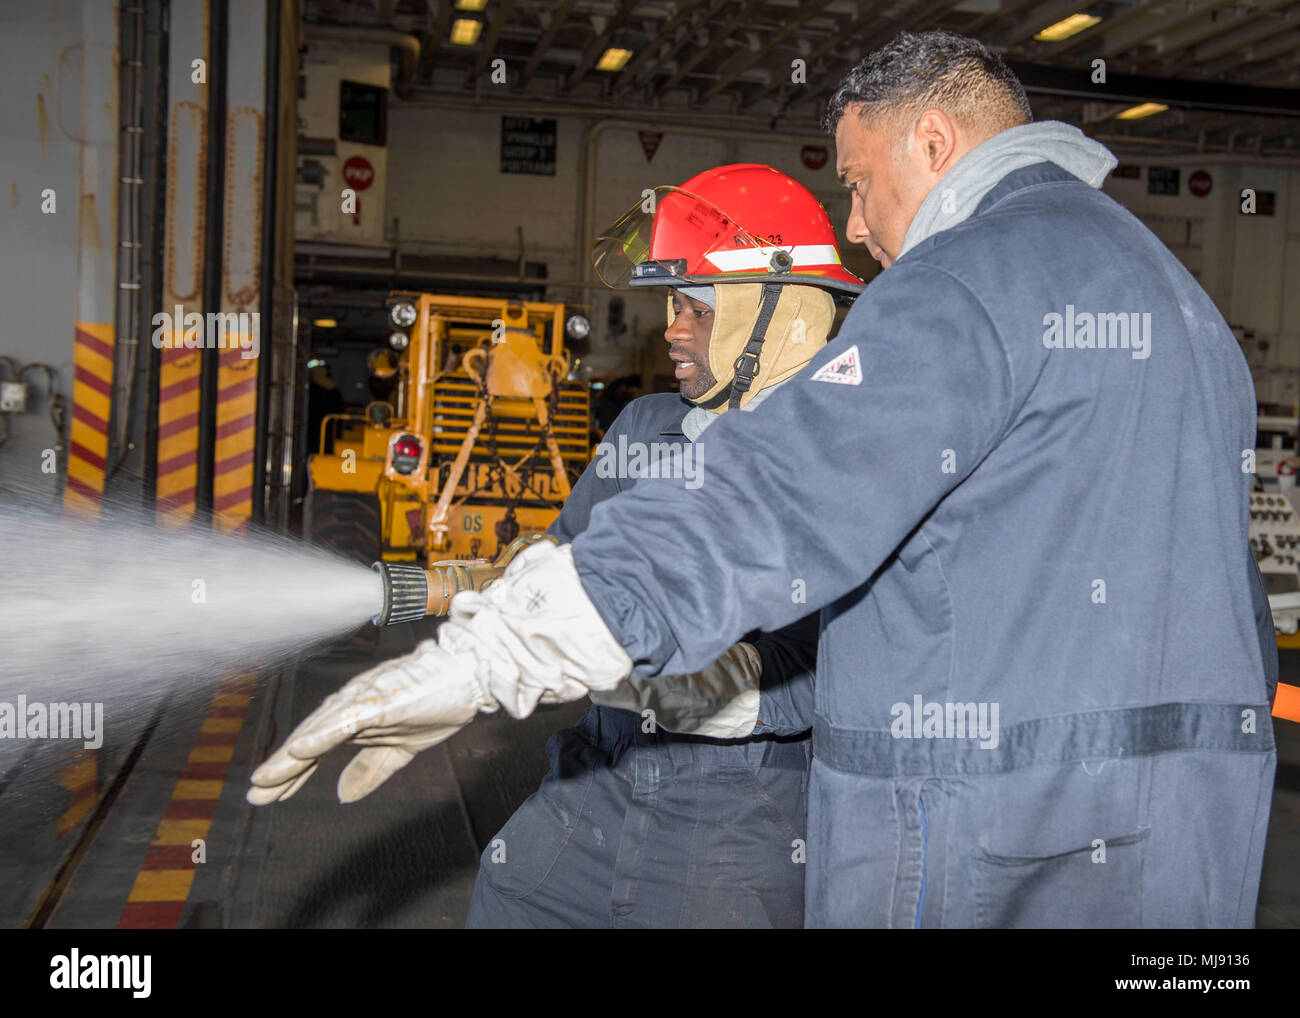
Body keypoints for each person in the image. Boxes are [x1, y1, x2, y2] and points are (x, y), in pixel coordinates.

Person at [249, 31, 1278, 929]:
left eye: (862, 186)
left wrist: (495, 658)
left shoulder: (971, 275)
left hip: (968, 843)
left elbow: (782, 496)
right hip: (1168, 845)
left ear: (933, 144)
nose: (862, 230)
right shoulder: (1172, 300)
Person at [464, 165, 863, 928]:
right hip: (598, 775)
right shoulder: (645, 428)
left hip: (737, 814)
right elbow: (563, 557)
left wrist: (656, 682)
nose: (672, 329)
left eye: (696, 308)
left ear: (773, 315)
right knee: (510, 896)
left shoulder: (840, 460)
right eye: (672, 305)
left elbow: (833, 665)